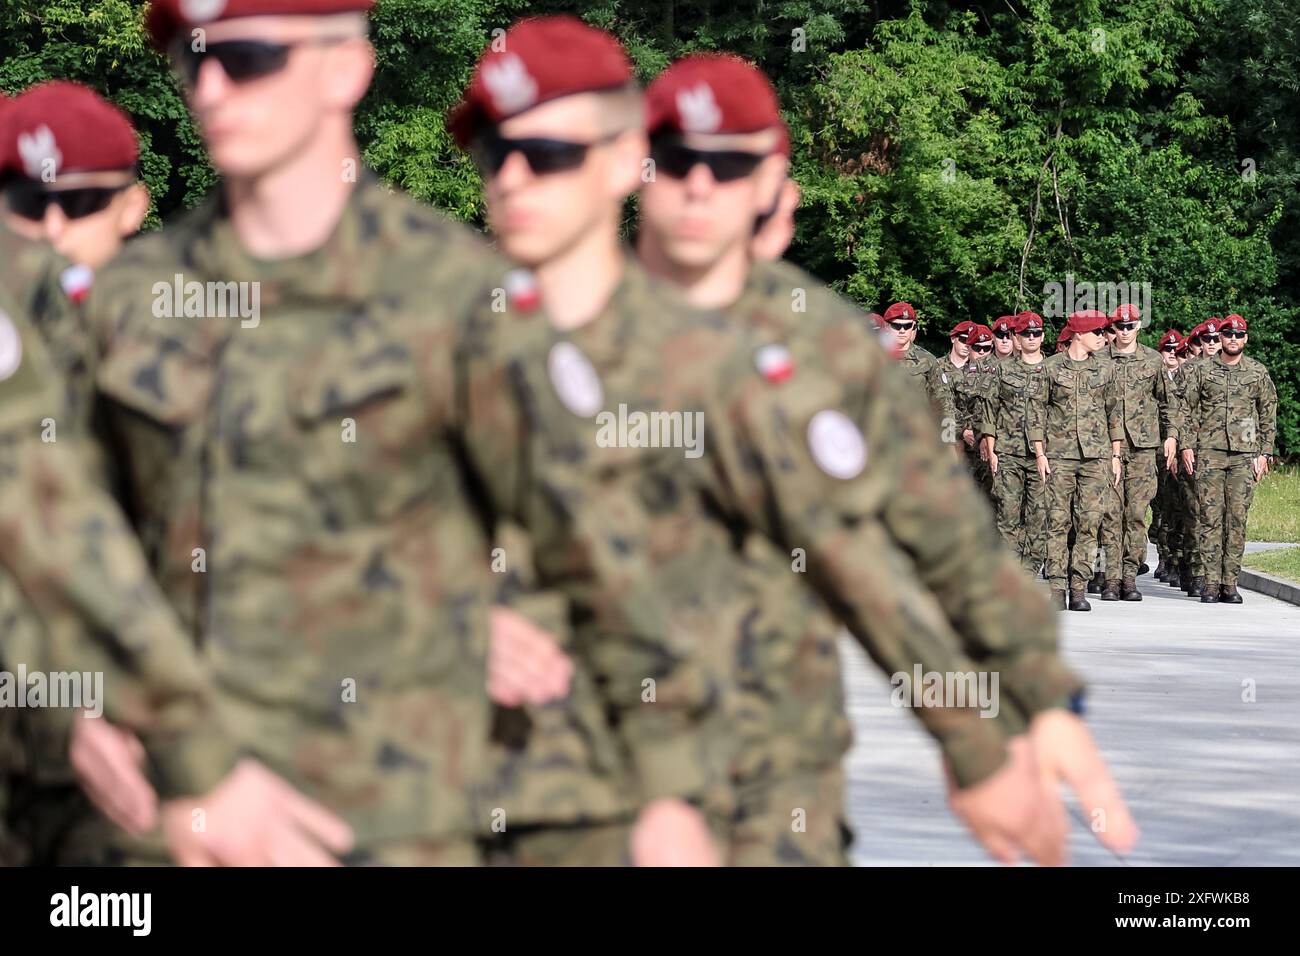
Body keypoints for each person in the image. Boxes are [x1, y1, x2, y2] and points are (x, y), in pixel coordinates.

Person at [454, 31, 1136, 865]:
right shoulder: (509, 333)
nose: (700, 188)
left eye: (730, 168)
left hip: (773, 765)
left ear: (776, 191)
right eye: (676, 163)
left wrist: (1017, 708)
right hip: (544, 779)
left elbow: (917, 549)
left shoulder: (822, 350)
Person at [1029, 310, 1124, 611]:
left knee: (1089, 522)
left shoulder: (1106, 370)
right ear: (1079, 334)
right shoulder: (1050, 368)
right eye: (1097, 332)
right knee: (1057, 521)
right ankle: (1057, 586)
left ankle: (1079, 587)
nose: (1103, 337)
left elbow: (1115, 414)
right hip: (1059, 455)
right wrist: (1040, 453)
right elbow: (1036, 412)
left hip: (1096, 456)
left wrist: (1116, 455)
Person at [1180, 314, 1278, 603]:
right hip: (1209, 452)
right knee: (1210, 518)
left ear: (1245, 339)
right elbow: (1186, 408)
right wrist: (1186, 445)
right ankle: (1211, 582)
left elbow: (1267, 413)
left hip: (1244, 453)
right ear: (1220, 338)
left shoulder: (1256, 372)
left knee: (1236, 518)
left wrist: (1265, 453)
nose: (1233, 339)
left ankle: (1229, 582)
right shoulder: (1203, 370)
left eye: (1239, 334)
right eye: (1228, 334)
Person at [1095, 304, 1177, 601]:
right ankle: (1110, 578)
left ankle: (1129, 576)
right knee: (1110, 514)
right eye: (1120, 326)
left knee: (1136, 514)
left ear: (1138, 327)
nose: (1125, 331)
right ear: (1112, 329)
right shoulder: (1099, 360)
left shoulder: (1154, 361)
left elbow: (1169, 403)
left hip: (1143, 448)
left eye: (1130, 326)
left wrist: (1172, 436)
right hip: (1107, 447)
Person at [980, 311, 1049, 573]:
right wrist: (990, 445)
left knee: (1038, 515)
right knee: (1007, 514)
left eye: (1036, 333)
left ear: (1042, 337)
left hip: (1043, 454)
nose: (1031, 338)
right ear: (1015, 338)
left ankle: (1030, 569)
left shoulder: (1052, 370)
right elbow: (990, 408)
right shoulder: (1002, 370)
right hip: (1008, 451)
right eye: (1025, 334)